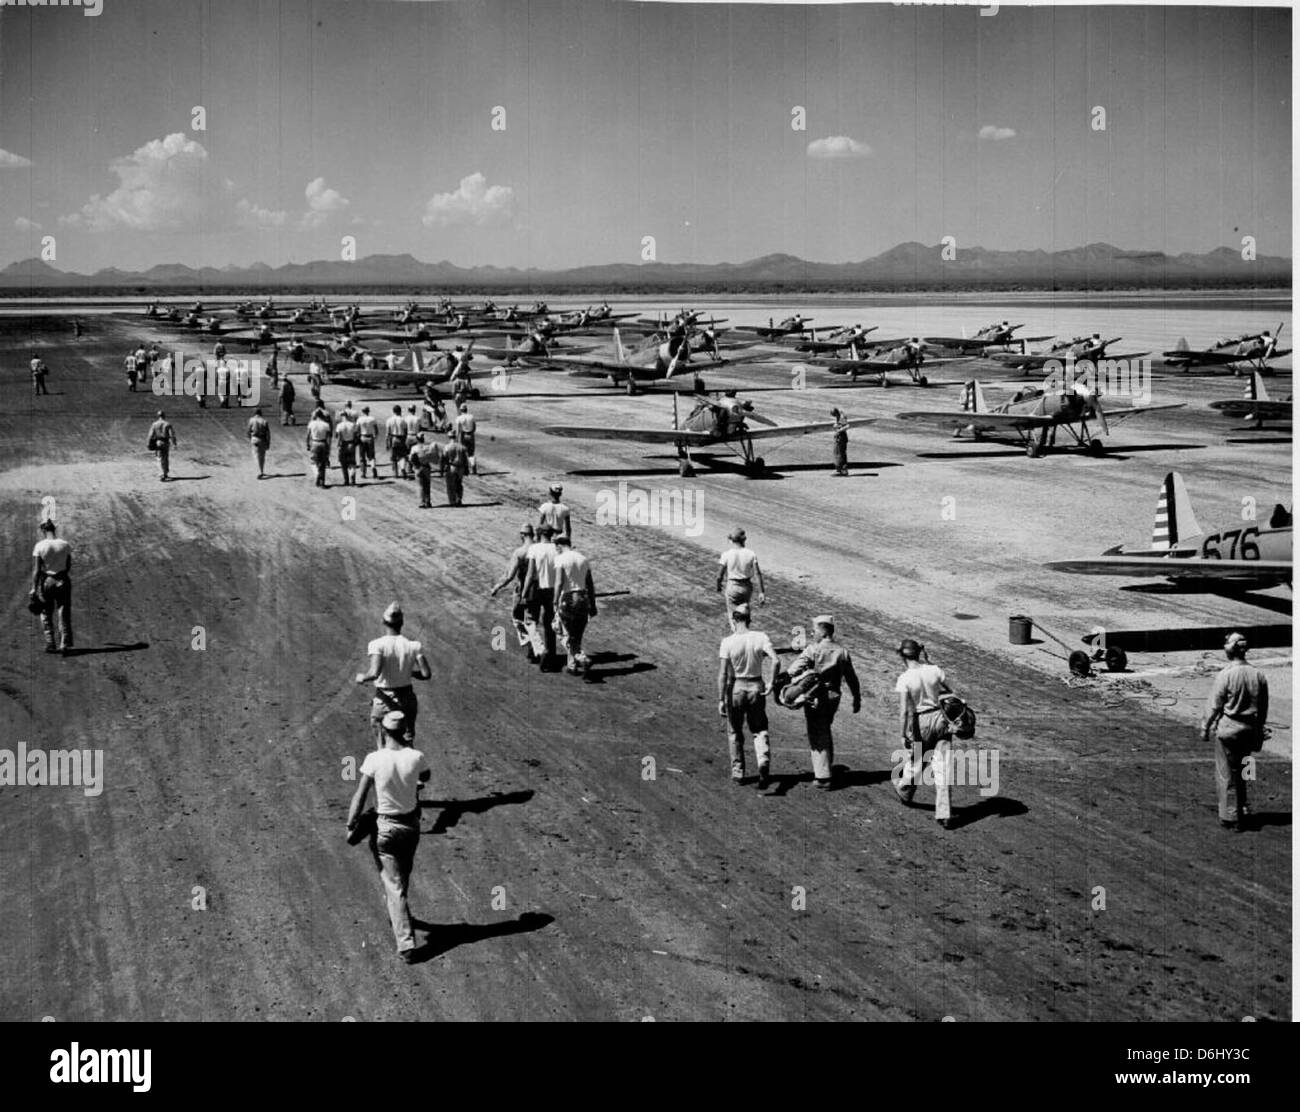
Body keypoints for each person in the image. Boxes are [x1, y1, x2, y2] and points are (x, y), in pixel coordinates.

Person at [345, 710, 430, 963]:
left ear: (382, 730)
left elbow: (360, 795)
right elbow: (425, 776)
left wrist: (351, 824)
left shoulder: (374, 759)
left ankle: (405, 944)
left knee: (394, 886)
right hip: (410, 827)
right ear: (405, 730)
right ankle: (399, 914)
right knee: (401, 879)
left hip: (385, 828)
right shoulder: (416, 756)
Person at [1203, 632, 1270, 832]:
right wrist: (1258, 731)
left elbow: (1214, 705)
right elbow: (1264, 707)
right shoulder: (1258, 675)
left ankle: (1230, 816)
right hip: (1249, 730)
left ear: (1230, 650)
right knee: (1245, 770)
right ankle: (1244, 807)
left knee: (1226, 774)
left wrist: (1205, 727)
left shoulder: (1226, 675)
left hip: (1229, 730)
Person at [785, 616, 861, 789]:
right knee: (824, 728)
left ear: (823, 631)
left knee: (817, 733)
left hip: (815, 696)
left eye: (814, 630)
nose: (812, 633)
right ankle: (827, 767)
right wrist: (857, 698)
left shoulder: (813, 650)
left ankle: (823, 777)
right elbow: (852, 678)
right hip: (833, 697)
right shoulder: (842, 652)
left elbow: (792, 670)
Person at [893, 639, 959, 828]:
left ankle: (904, 787)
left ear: (902, 656)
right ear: (918, 653)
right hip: (940, 719)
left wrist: (902, 734)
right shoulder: (934, 670)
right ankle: (944, 813)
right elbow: (952, 691)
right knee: (942, 767)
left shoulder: (905, 678)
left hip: (920, 721)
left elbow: (904, 711)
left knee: (917, 760)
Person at [717, 603, 779, 788]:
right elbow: (776, 660)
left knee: (735, 731)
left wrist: (721, 699)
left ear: (734, 620)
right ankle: (763, 761)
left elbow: (723, 674)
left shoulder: (727, 642)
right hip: (756, 686)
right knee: (759, 729)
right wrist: (771, 683)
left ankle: (738, 771)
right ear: (749, 619)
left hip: (737, 687)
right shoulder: (760, 637)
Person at [356, 603, 432, 748]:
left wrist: (362, 677)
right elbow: (426, 674)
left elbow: (374, 673)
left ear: (383, 622)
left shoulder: (376, 645)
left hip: (384, 700)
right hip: (407, 699)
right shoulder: (414, 645)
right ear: (402, 623)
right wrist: (410, 672)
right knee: (407, 740)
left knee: (383, 742)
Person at [552, 533, 597, 674]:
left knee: (560, 630)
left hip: (568, 598)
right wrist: (593, 604)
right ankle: (572, 666)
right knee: (576, 635)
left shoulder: (560, 559)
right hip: (583, 598)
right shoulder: (583, 559)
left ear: (559, 545)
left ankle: (581, 658)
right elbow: (590, 584)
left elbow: (559, 583)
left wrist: (554, 602)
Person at [490, 524, 537, 657]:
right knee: (531, 619)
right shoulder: (539, 549)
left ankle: (532, 645)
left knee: (517, 618)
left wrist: (497, 587)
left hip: (522, 589)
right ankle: (536, 646)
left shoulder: (520, 552)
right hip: (539, 589)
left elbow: (510, 576)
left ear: (522, 535)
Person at [31, 518, 73, 655]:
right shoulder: (65, 544)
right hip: (63, 580)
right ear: (54, 529)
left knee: (46, 612)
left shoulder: (40, 546)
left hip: (47, 582)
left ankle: (50, 643)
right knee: (63, 612)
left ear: (43, 530)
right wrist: (61, 577)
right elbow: (68, 566)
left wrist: (34, 588)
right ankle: (64, 644)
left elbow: (37, 571)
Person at [521, 523, 560, 666]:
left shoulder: (534, 548)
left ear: (539, 534)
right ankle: (551, 653)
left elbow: (530, 574)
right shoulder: (557, 549)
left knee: (531, 621)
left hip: (537, 589)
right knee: (550, 623)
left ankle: (535, 651)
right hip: (552, 590)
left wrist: (524, 593)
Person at [715, 528, 765, 614]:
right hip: (746, 587)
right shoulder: (751, 554)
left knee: (733, 615)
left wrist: (718, 587)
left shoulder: (726, 554)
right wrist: (761, 592)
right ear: (744, 539)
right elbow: (758, 574)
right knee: (744, 614)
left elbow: (719, 576)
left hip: (732, 586)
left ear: (732, 540)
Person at [441, 430, 469, 507]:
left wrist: (442, 469)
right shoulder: (462, 447)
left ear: (449, 437)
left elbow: (444, 458)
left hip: (451, 467)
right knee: (459, 484)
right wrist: (466, 468)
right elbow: (465, 459)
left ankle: (452, 501)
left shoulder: (447, 447)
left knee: (450, 485)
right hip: (461, 467)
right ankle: (459, 498)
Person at [306, 407, 333, 488]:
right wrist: (328, 447)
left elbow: (308, 435)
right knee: (322, 464)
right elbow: (328, 437)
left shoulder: (311, 423)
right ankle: (322, 482)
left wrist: (307, 444)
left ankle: (316, 473)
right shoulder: (326, 425)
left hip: (314, 442)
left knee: (313, 462)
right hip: (323, 443)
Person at [148, 410, 176, 481]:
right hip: (166, 442)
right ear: (164, 415)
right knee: (165, 457)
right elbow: (172, 435)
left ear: (158, 416)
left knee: (159, 458)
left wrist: (148, 443)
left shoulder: (154, 424)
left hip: (158, 442)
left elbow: (150, 435)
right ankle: (165, 473)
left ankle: (162, 474)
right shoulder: (167, 424)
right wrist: (174, 444)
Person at [408, 433, 435, 508]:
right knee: (427, 485)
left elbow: (410, 458)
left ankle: (422, 502)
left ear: (417, 439)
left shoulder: (414, 448)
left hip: (418, 467)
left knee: (420, 485)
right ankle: (428, 501)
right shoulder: (428, 447)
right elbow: (431, 457)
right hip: (426, 467)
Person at [335, 407, 359, 486]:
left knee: (343, 464)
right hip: (351, 444)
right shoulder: (353, 425)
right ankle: (353, 478)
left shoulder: (339, 425)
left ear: (342, 417)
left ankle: (346, 480)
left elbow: (338, 437)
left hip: (343, 444)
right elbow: (356, 436)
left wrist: (338, 445)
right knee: (352, 463)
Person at [385, 404, 409, 480]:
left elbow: (387, 433)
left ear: (393, 411)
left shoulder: (389, 420)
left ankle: (395, 473)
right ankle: (402, 468)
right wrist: (405, 441)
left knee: (394, 457)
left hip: (393, 438)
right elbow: (405, 432)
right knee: (402, 456)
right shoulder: (403, 420)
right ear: (400, 411)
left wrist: (387, 443)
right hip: (401, 438)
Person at [247, 407, 271, 479]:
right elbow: (268, 434)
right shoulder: (264, 421)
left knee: (256, 455)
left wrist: (250, 438)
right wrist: (268, 442)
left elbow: (248, 431)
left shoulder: (251, 420)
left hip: (255, 438)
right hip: (262, 439)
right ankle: (261, 471)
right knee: (262, 456)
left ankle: (259, 472)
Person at [454, 403, 478, 475]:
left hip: (463, 435)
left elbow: (458, 430)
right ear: (466, 409)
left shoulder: (459, 418)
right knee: (471, 453)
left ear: (461, 410)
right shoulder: (471, 417)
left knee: (463, 453)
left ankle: (465, 469)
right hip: (471, 434)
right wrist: (471, 433)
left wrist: (456, 438)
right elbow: (474, 427)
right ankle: (473, 468)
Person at [356, 405, 378, 478]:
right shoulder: (372, 419)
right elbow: (376, 430)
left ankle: (363, 472)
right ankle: (373, 467)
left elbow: (357, 430)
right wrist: (375, 436)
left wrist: (357, 438)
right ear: (368, 411)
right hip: (370, 437)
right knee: (371, 456)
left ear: (362, 411)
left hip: (362, 437)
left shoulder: (359, 419)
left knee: (362, 457)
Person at [830, 408, 850, 477]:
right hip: (839, 437)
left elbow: (847, 426)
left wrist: (839, 430)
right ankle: (842, 470)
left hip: (841, 438)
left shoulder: (841, 417)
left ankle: (841, 470)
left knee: (839, 453)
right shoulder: (840, 416)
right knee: (839, 453)